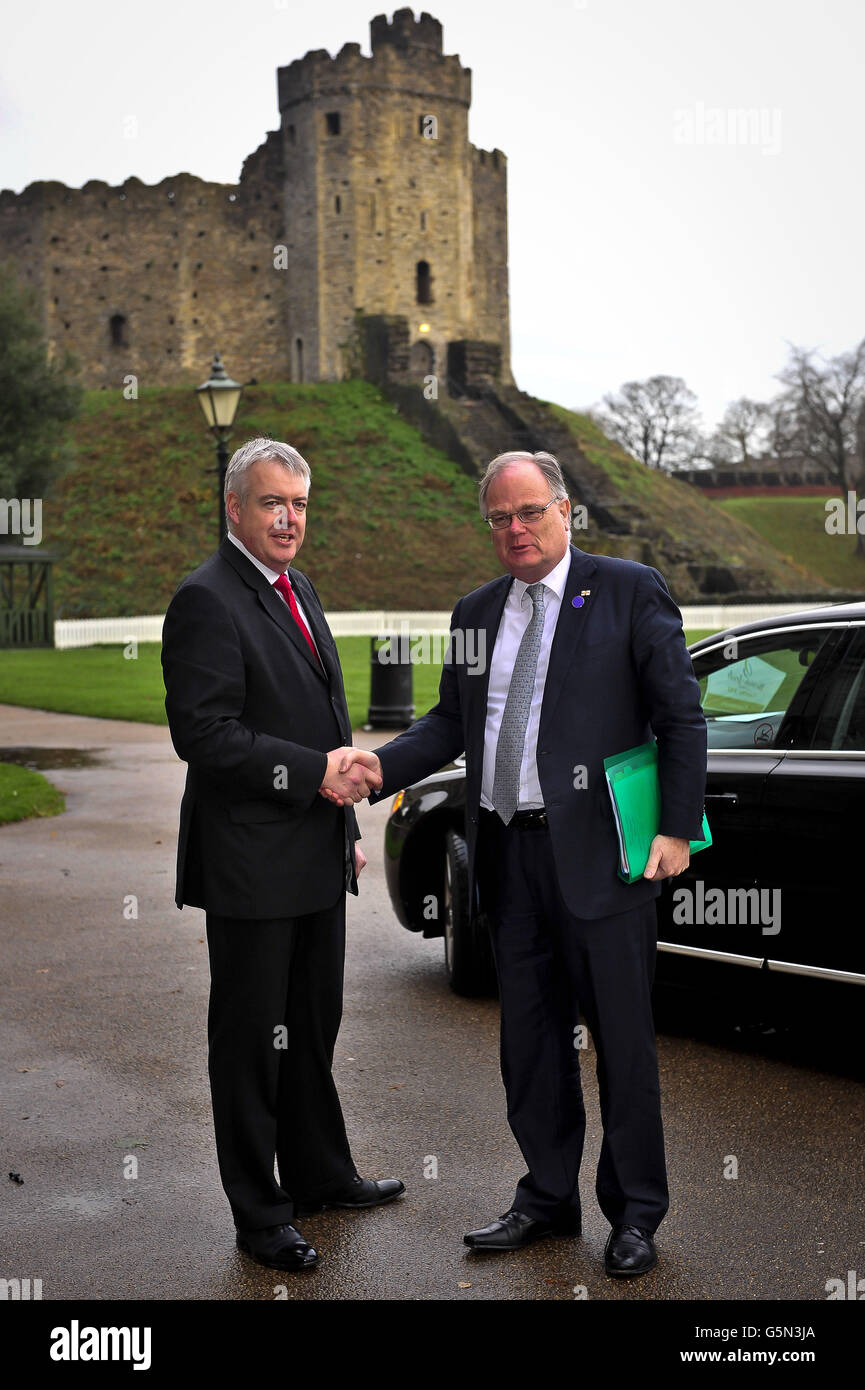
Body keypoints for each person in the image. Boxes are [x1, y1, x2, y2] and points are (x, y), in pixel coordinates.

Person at [333, 450, 706, 1278]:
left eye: (529, 512)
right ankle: (545, 1199)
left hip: (605, 863)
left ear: (565, 510)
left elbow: (681, 716)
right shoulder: (474, 610)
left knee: (622, 1046)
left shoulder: (626, 589)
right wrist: (381, 768)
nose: (515, 530)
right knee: (530, 1044)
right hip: (506, 857)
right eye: (499, 518)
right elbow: (446, 722)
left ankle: (635, 1215)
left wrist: (675, 829)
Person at [161, 437, 403, 1273]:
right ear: (235, 508)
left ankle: (319, 1174)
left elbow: (321, 720)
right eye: (273, 502)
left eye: (300, 503)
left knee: (311, 1026)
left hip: (311, 850)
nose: (290, 518)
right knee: (252, 1038)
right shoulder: (207, 598)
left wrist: (342, 821)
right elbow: (204, 735)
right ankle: (260, 1213)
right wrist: (316, 775)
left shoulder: (299, 587)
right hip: (248, 864)